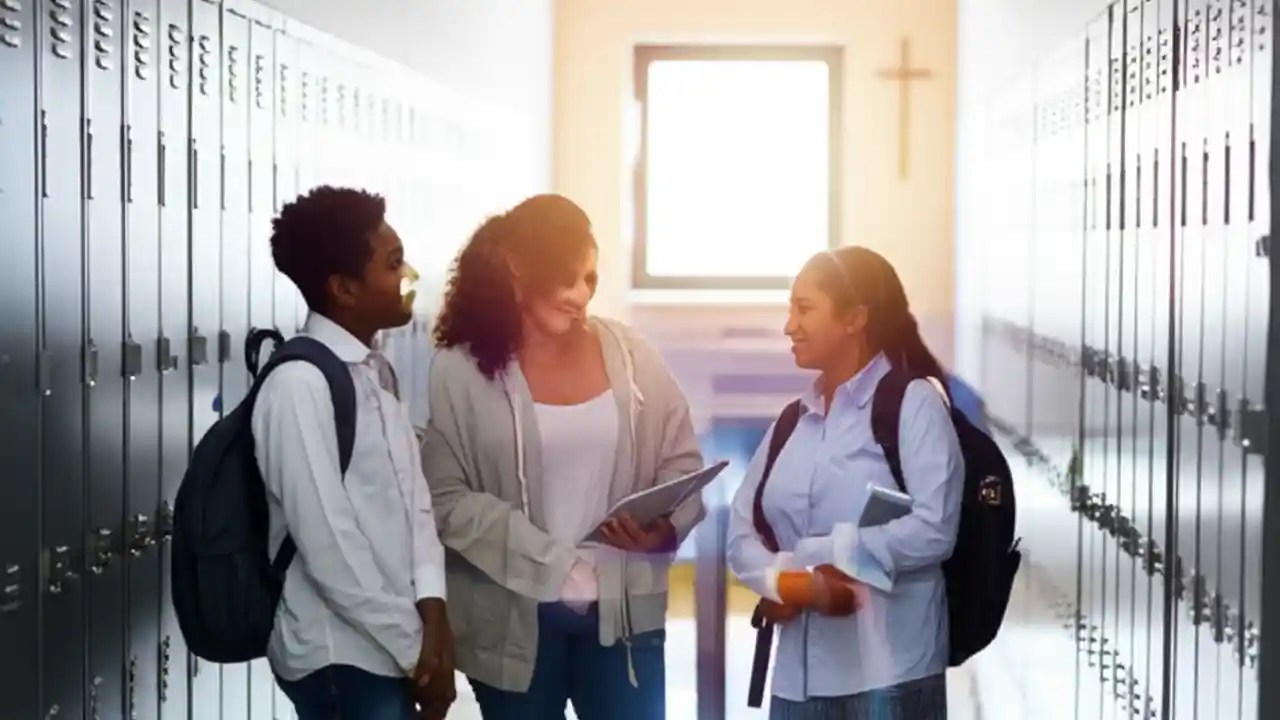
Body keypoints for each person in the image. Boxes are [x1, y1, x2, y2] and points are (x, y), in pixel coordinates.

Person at [420, 193, 705, 719]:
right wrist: (557, 567)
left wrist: (665, 529)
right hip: (512, 620)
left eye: (590, 280)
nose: (580, 295)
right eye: (566, 277)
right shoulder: (458, 372)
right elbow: (446, 500)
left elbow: (681, 461)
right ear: (517, 267)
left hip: (623, 617)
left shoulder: (631, 354)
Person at [726, 246, 964, 720]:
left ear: (854, 318)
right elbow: (740, 535)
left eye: (804, 308)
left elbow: (936, 527)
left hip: (890, 677)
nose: (789, 325)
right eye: (790, 308)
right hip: (796, 682)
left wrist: (830, 556)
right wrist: (789, 584)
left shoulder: (913, 405)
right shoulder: (795, 421)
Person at [256, 186, 455, 719]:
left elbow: (415, 505)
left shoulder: (374, 371)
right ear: (344, 288)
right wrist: (419, 652)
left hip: (393, 647)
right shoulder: (298, 385)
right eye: (393, 264)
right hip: (339, 658)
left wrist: (433, 609)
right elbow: (328, 545)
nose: (409, 274)